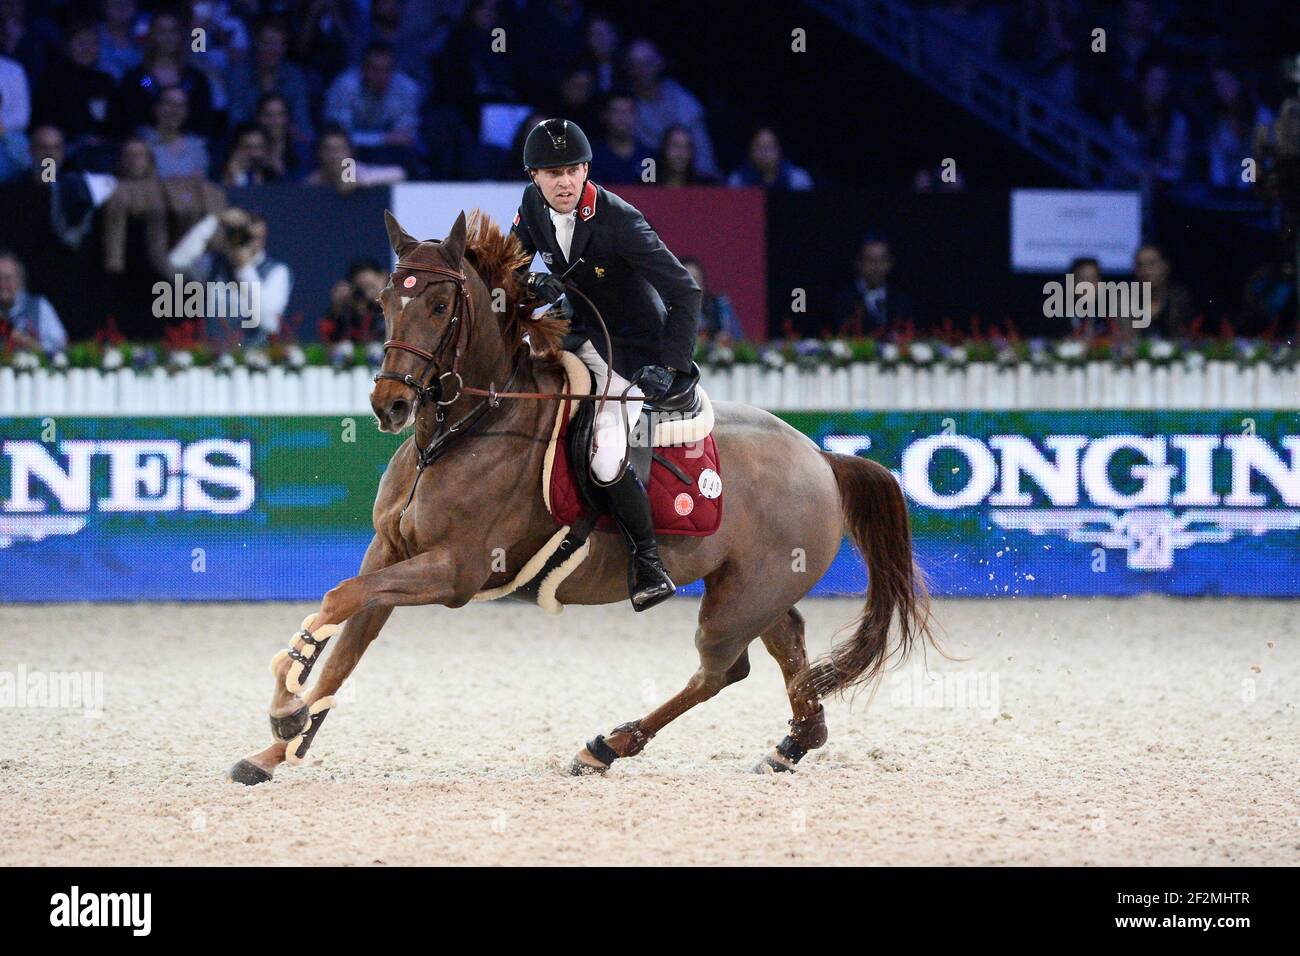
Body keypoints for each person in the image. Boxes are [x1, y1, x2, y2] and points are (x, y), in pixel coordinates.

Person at [510, 118, 701, 611]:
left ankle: (648, 561)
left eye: (573, 169)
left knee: (603, 455)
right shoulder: (531, 207)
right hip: (578, 336)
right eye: (553, 172)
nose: (565, 181)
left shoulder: (620, 221)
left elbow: (685, 290)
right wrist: (532, 287)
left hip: (632, 352)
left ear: (586, 169)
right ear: (534, 176)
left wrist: (673, 365)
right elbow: (510, 269)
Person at [167, 207, 292, 350]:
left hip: (253, 360)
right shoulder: (213, 265)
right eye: (246, 236)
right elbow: (176, 263)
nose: (251, 242)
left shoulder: (277, 271)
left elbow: (270, 322)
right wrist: (213, 221)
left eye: (258, 237)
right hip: (212, 356)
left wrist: (244, 268)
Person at [834, 234, 916, 337]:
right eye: (870, 260)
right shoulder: (844, 299)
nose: (876, 266)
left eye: (882, 260)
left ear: (890, 263)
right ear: (858, 263)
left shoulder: (901, 299)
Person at [0, 249, 68, 354]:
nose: (2, 284)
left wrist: (28, 342)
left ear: (19, 280)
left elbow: (60, 345)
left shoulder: (39, 306)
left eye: (8, 278)